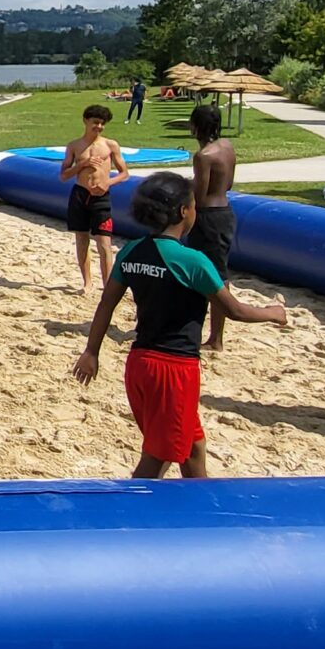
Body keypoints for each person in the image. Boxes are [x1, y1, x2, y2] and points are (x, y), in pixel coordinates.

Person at [74, 172, 290, 479]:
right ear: (182, 212)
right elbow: (234, 310)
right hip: (173, 369)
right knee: (157, 457)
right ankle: (128, 517)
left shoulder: (131, 251)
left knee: (192, 447)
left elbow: (105, 305)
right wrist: (273, 312)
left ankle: (201, 511)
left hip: (140, 364)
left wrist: (91, 352)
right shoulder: (193, 261)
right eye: (193, 205)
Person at [185, 103, 239, 350]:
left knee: (212, 275)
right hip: (225, 212)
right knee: (217, 272)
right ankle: (213, 335)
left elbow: (200, 193)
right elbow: (227, 184)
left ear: (194, 126)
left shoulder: (203, 156)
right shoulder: (227, 147)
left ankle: (215, 339)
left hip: (208, 216)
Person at [60, 103, 128, 293]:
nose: (99, 127)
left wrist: (108, 183)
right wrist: (82, 165)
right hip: (80, 195)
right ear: (85, 121)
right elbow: (63, 175)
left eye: (102, 124)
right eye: (95, 122)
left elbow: (124, 174)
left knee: (104, 243)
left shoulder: (110, 145)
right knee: (81, 239)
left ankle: (107, 285)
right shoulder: (74, 146)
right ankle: (87, 283)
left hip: (101, 196)